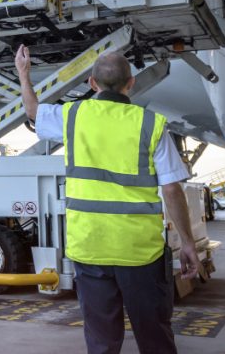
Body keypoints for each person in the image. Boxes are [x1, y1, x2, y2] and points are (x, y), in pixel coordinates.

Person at [14, 45, 201, 354]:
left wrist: (24, 73)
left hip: (90, 247)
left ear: (92, 83)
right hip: (140, 251)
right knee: (155, 336)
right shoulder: (150, 125)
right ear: (131, 84)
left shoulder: (73, 116)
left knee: (102, 340)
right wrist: (189, 243)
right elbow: (171, 189)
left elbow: (33, 111)